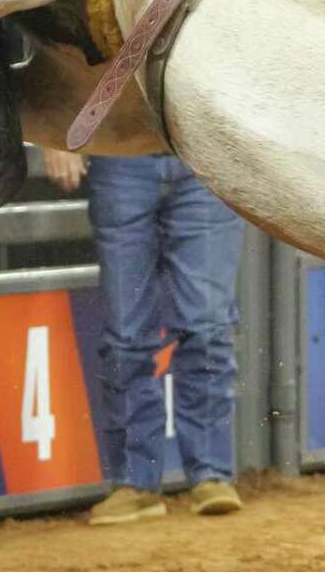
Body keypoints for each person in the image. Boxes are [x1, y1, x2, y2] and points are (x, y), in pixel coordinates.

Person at [39, 144, 248, 525]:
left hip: (190, 156)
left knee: (201, 327)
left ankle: (195, 477)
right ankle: (168, 480)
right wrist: (55, 139)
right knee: (132, 335)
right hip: (155, 155)